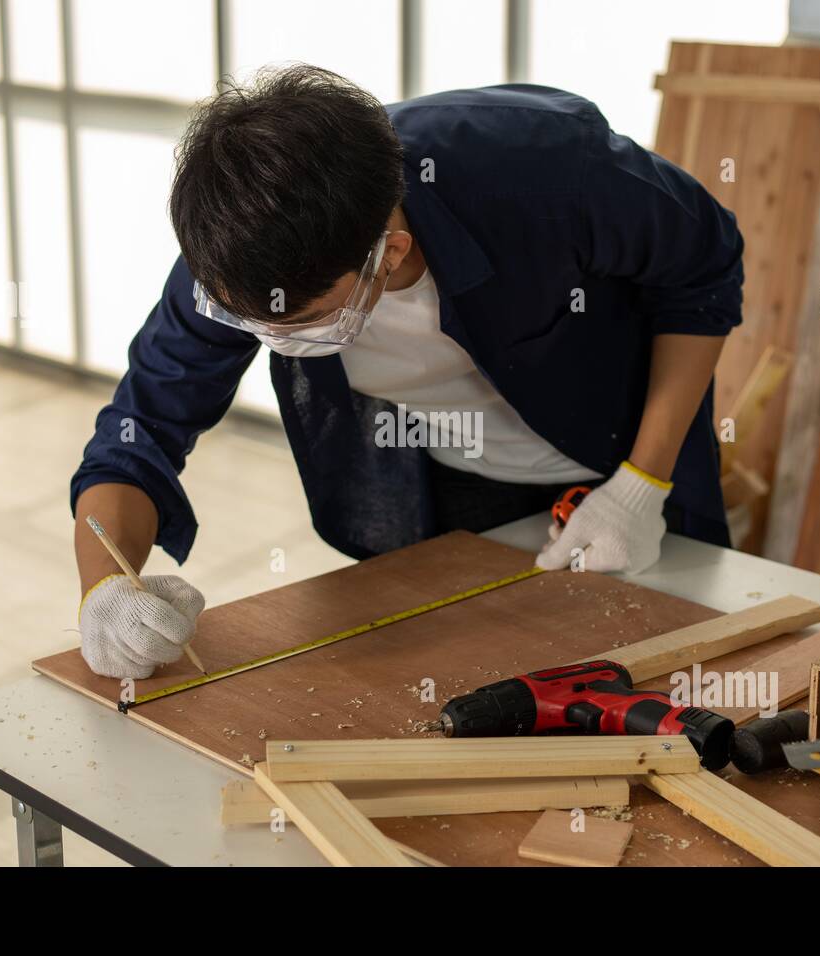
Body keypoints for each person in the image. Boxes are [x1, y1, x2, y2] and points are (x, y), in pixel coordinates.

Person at [72, 65, 744, 679]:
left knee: (666, 668)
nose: (271, 342)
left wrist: (642, 483)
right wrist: (105, 588)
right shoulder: (233, 258)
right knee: (466, 681)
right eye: (252, 325)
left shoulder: (546, 168)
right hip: (447, 475)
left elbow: (702, 271)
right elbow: (139, 432)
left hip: (618, 455)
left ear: (387, 254)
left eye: (301, 322)